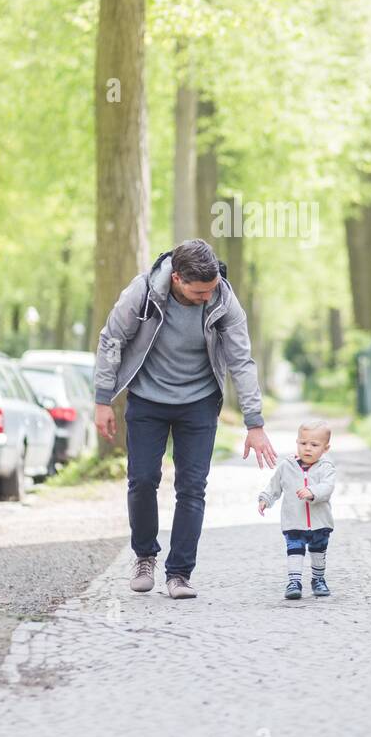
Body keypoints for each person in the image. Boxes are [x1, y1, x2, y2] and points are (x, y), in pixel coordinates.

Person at [94, 238, 276, 599]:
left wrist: (254, 423)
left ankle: (179, 573)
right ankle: (145, 556)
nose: (207, 297)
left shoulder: (223, 298)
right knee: (142, 479)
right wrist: (103, 400)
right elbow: (111, 339)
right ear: (177, 278)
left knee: (192, 488)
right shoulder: (143, 292)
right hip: (147, 399)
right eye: (199, 292)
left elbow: (241, 360)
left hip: (199, 403)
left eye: (211, 290)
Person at [258, 420, 336, 600]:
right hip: (294, 520)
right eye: (303, 443)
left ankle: (318, 579)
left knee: (318, 552)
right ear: (297, 442)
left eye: (314, 445)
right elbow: (274, 486)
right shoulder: (287, 466)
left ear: (325, 448)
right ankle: (294, 582)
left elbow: (327, 487)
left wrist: (312, 491)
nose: (307, 448)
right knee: (295, 550)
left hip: (320, 521)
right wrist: (265, 499)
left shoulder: (326, 468)